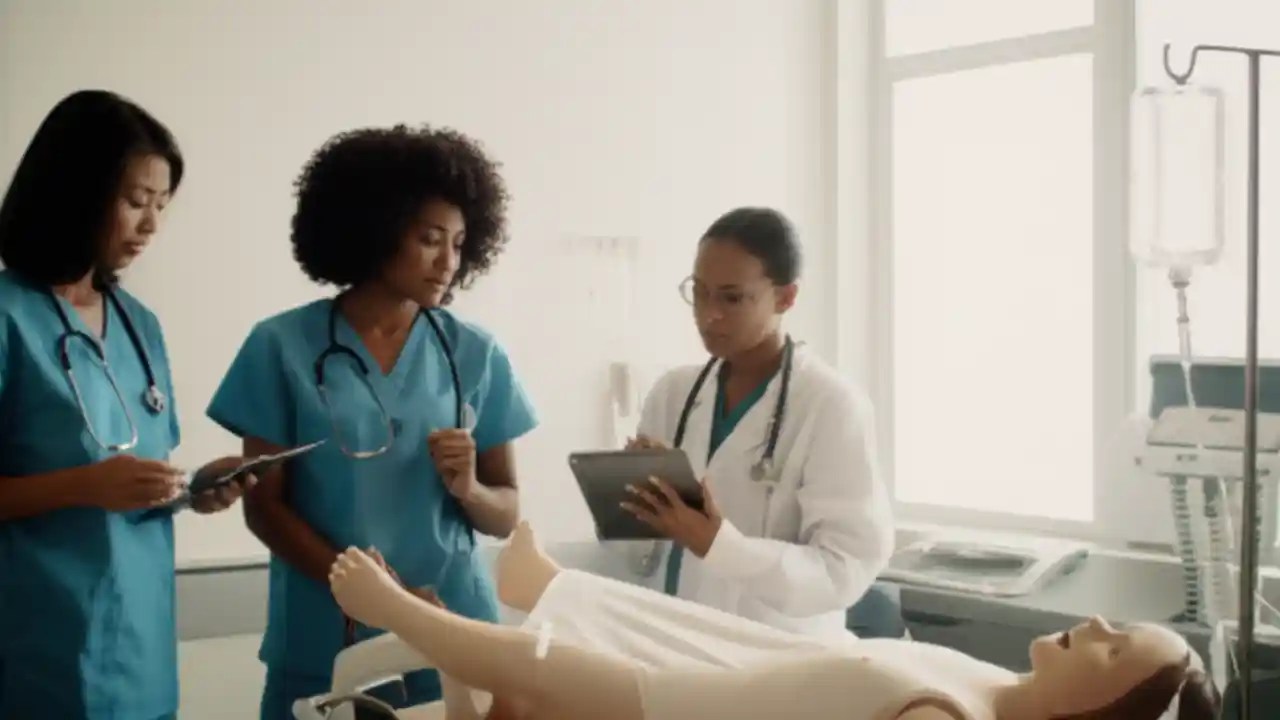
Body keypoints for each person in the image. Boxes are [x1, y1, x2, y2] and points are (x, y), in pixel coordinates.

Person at [205, 123, 538, 718]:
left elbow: (505, 512)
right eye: (430, 239)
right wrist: (377, 601)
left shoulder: (475, 353)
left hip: (453, 629)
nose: (448, 261)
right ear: (378, 229)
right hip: (323, 632)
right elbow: (265, 506)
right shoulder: (282, 346)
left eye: (460, 243)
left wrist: (470, 489)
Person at [328, 521, 1222, 720]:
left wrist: (396, 610)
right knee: (540, 666)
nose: (1097, 621)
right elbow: (768, 666)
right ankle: (486, 675)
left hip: (663, 706)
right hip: (732, 673)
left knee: (544, 668)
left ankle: (473, 674)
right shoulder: (992, 688)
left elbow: (659, 698)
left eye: (1114, 646)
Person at [0, 89, 253, 719]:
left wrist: (195, 489)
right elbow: (99, 481)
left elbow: (136, 481)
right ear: (74, 190)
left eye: (161, 206)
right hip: (38, 645)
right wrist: (85, 485)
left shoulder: (140, 324)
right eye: (136, 201)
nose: (151, 226)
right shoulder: (8, 316)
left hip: (141, 647)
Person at [622, 206, 893, 637]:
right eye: (699, 291)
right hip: (672, 644)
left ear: (786, 297)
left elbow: (844, 570)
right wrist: (628, 497)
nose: (708, 313)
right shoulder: (673, 394)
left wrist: (722, 546)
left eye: (731, 298)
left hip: (779, 665)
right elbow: (642, 553)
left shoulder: (832, 406)